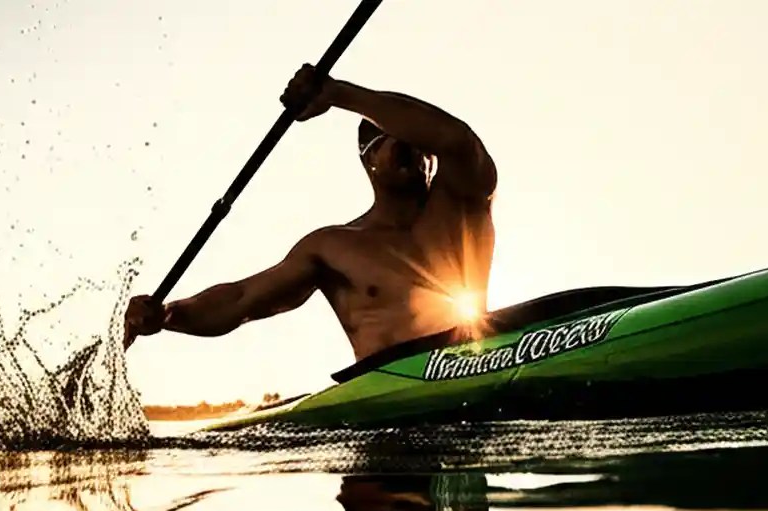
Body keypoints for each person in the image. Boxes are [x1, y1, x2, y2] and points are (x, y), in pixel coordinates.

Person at [125, 64, 498, 361]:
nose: (414, 150)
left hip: (470, 370)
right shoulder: (332, 246)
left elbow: (455, 139)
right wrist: (168, 315)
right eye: (397, 145)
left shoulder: (464, 204)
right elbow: (240, 301)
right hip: (385, 420)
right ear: (369, 159)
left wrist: (338, 94)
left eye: (420, 145)